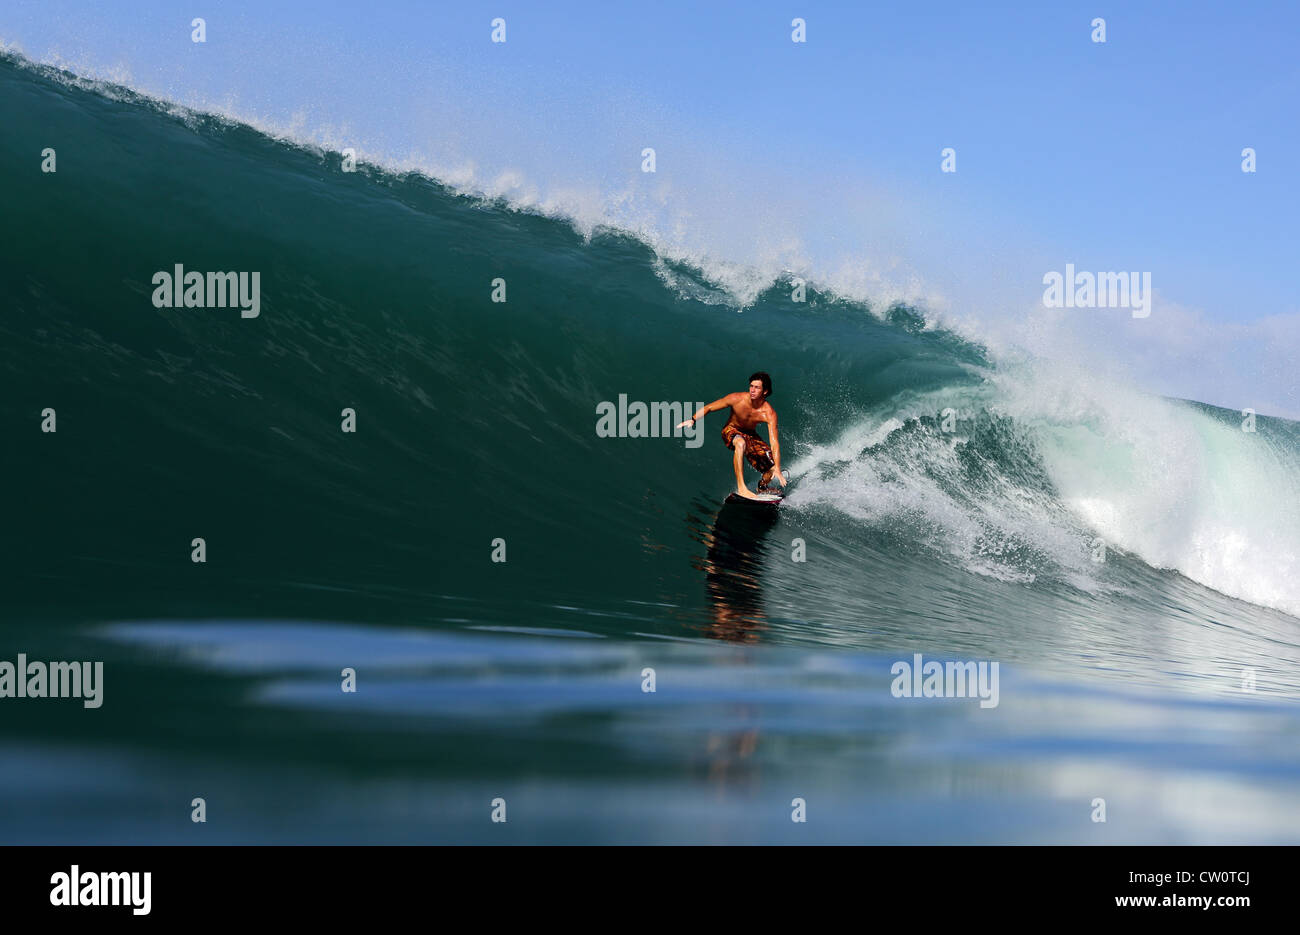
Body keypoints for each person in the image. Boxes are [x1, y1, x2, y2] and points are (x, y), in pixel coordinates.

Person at [678, 372, 785, 500]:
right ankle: (742, 488)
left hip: (751, 435)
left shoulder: (769, 413)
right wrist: (693, 419)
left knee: (771, 469)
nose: (752, 390)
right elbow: (710, 407)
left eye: (757, 387)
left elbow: (774, 443)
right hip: (731, 430)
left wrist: (777, 467)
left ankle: (762, 487)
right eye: (751, 386)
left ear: (765, 391)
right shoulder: (736, 399)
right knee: (740, 443)